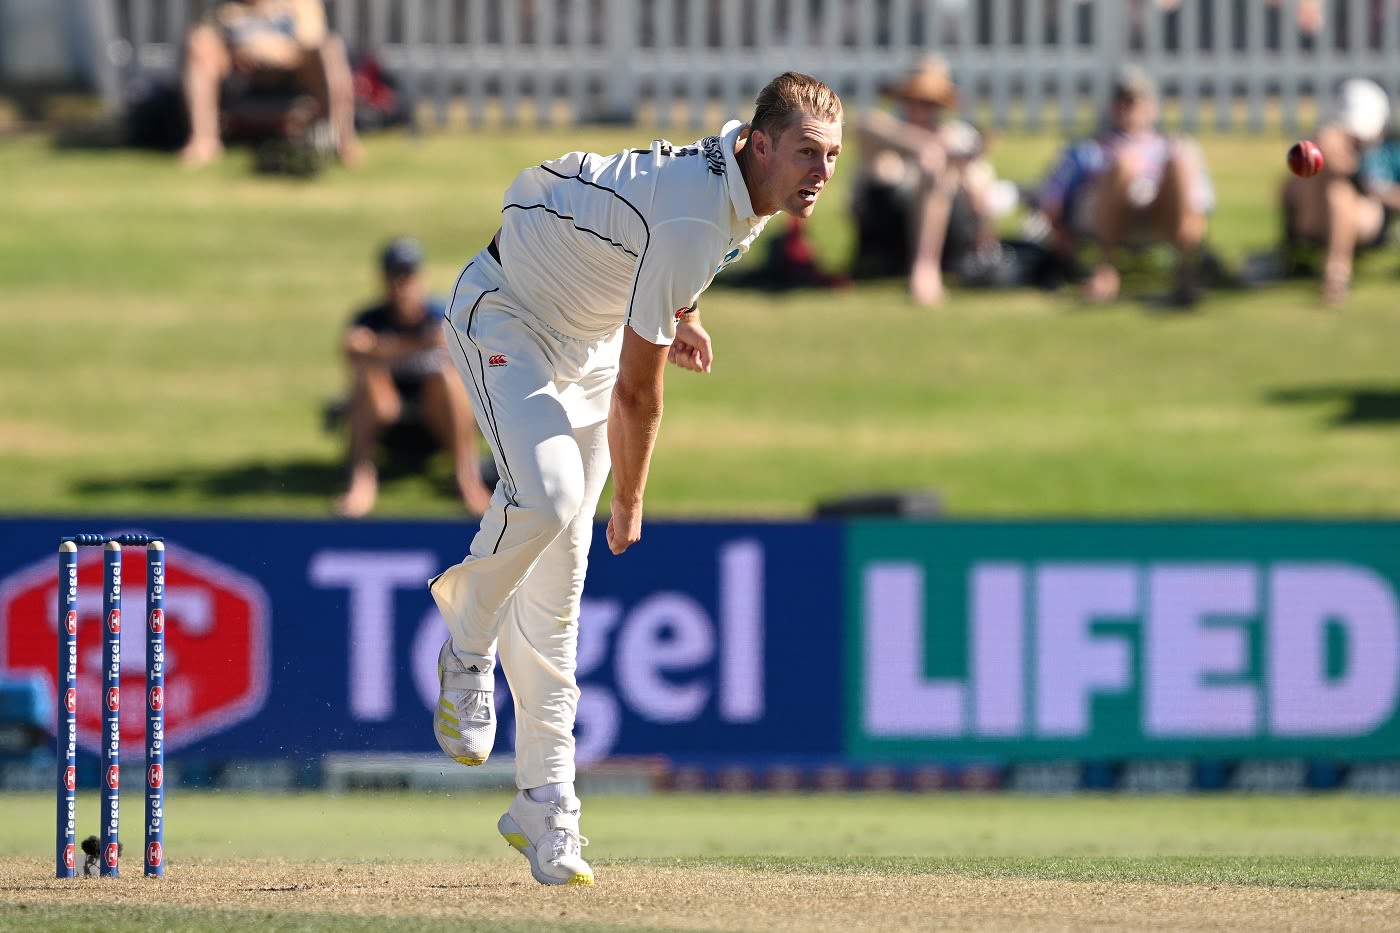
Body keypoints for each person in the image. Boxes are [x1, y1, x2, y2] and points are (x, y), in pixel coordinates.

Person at [427, 71, 844, 886]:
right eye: (806, 154)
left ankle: (546, 805)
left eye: (831, 157)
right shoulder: (702, 207)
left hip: (584, 347)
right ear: (761, 145)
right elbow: (640, 393)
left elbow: (642, 239)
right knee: (547, 496)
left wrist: (680, 314)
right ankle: (468, 642)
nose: (821, 173)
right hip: (505, 310)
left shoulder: (744, 190)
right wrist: (630, 500)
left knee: (559, 596)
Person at [334, 238, 493, 518]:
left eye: (407, 275)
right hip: (387, 419)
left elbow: (464, 351)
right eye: (395, 276)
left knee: (446, 376)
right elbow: (352, 348)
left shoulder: (440, 314)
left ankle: (467, 479)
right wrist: (417, 344)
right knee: (368, 376)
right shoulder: (371, 317)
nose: (401, 285)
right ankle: (361, 478)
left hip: (439, 422)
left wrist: (381, 347)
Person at [1036, 64, 1215, 305]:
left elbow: (1201, 203)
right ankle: (1106, 268)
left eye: (1135, 101)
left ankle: (1185, 268)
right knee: (1124, 162)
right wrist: (1062, 243)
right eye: (1122, 101)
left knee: (1177, 162)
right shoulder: (1088, 149)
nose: (1128, 109)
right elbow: (1051, 198)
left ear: (1151, 106)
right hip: (1102, 215)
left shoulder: (1175, 146)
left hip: (1161, 215)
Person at [849, 56, 1011, 305]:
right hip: (889, 225)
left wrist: (952, 161)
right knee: (929, 160)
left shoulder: (957, 135)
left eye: (928, 102)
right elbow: (862, 128)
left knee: (937, 171)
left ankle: (925, 269)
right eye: (913, 99)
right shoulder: (884, 129)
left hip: (949, 232)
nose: (920, 107)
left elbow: (980, 201)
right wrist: (926, 147)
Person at [178, 0, 361, 167]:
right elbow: (209, 34)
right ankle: (204, 141)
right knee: (199, 43)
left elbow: (312, 38)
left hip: (291, 70)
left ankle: (341, 140)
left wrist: (274, 51)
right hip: (238, 71)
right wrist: (245, 50)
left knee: (330, 48)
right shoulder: (225, 7)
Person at [1281, 78, 1400, 306]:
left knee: (1339, 192)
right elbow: (1288, 190)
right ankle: (1335, 272)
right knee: (1333, 187)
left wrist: (1368, 186)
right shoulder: (1326, 145)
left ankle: (1336, 272)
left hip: (1368, 219)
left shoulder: (1390, 150)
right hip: (1316, 218)